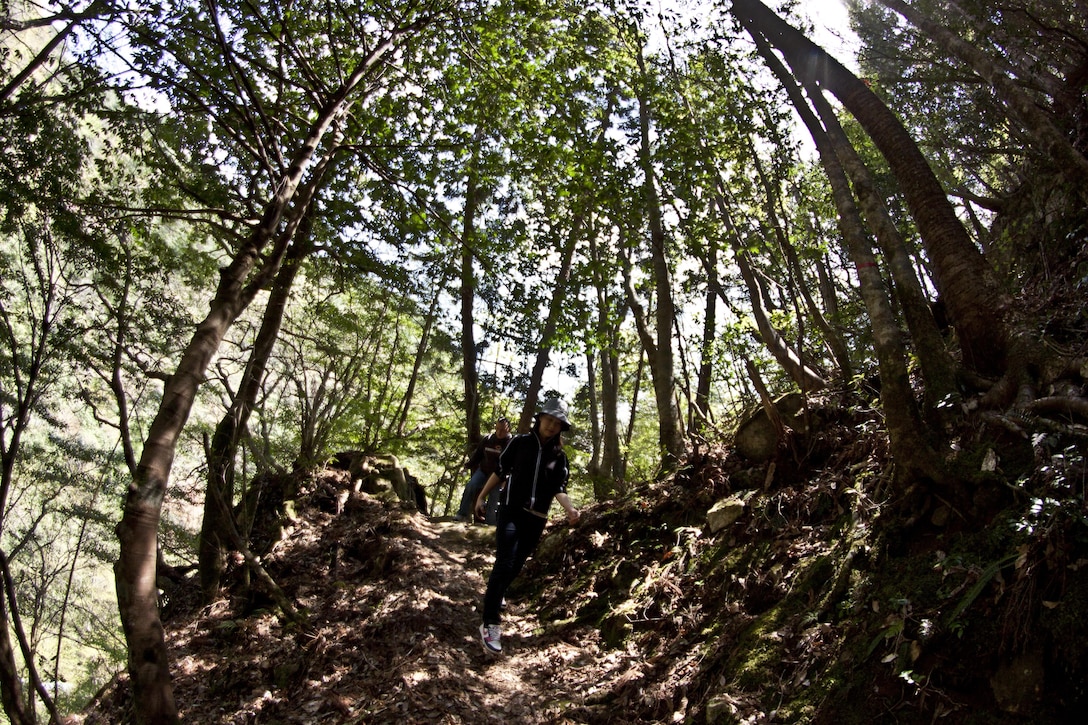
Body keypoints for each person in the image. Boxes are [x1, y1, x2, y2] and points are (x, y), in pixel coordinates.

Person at [474, 398, 580, 654]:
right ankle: (490, 625)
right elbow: (500, 471)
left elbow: (559, 489)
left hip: (537, 518)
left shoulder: (559, 457)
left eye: (557, 423)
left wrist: (570, 509)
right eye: (549, 420)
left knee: (517, 564)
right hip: (511, 511)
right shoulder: (519, 443)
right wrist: (481, 496)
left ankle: (496, 593)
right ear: (540, 419)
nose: (552, 426)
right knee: (505, 561)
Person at [455, 417, 511, 523]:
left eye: (502, 430)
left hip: (498, 477)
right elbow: (477, 455)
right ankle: (462, 514)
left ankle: (490, 524)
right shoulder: (488, 439)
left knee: (494, 499)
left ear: (508, 429)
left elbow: (512, 464)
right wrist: (467, 467)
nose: (499, 432)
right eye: (497, 429)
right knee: (471, 486)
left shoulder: (511, 443)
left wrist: (505, 479)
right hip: (483, 471)